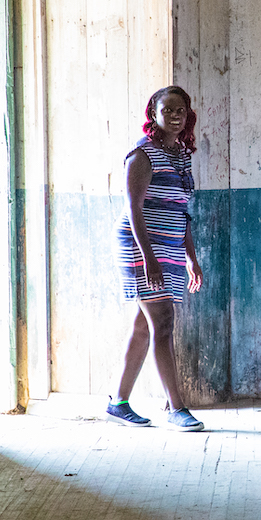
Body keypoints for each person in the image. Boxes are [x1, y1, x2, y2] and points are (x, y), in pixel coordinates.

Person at [107, 85, 206, 431]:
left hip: (170, 245)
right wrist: (148, 257)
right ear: (153, 114)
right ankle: (176, 408)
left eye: (181, 111)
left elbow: (181, 211)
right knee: (162, 322)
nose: (175, 117)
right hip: (141, 245)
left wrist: (191, 257)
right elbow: (133, 209)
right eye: (168, 111)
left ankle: (118, 402)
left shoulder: (181, 154)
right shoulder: (142, 154)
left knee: (143, 325)